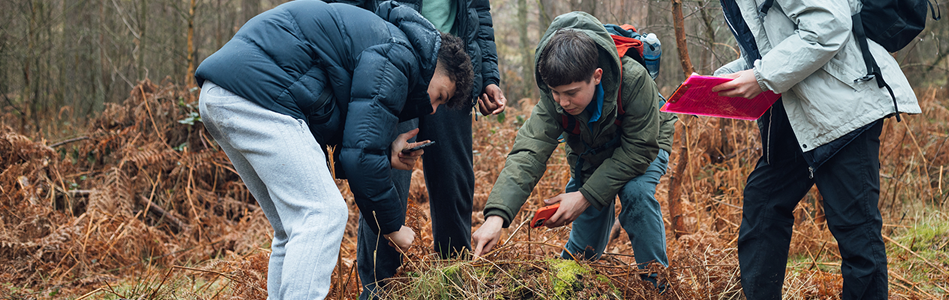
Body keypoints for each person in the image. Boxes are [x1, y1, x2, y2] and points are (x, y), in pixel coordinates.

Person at [194, 1, 473, 299]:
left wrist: (385, 152)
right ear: (436, 65)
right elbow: (360, 155)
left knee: (292, 229)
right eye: (440, 96)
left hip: (223, 94)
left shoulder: (379, 40)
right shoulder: (399, 53)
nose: (431, 109)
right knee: (323, 213)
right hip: (257, 94)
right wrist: (393, 227)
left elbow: (352, 139)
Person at [711, 0, 920, 298]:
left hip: (844, 105)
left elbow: (828, 26)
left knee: (856, 232)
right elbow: (774, 45)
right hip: (799, 111)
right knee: (764, 204)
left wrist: (761, 77)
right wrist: (717, 82)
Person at [471, 11, 677, 285]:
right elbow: (529, 151)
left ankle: (656, 285)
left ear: (597, 76)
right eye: (556, 92)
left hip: (645, 142)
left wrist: (585, 195)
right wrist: (496, 217)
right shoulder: (553, 99)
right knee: (581, 248)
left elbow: (640, 148)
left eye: (571, 93)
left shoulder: (634, 79)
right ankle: (571, 282)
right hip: (592, 152)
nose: (563, 102)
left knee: (636, 193)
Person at [328, 0, 505, 263]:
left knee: (453, 176)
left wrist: (487, 75)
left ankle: (453, 272)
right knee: (384, 170)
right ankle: (380, 286)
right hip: (395, 59)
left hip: (452, 69)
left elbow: (478, 11)